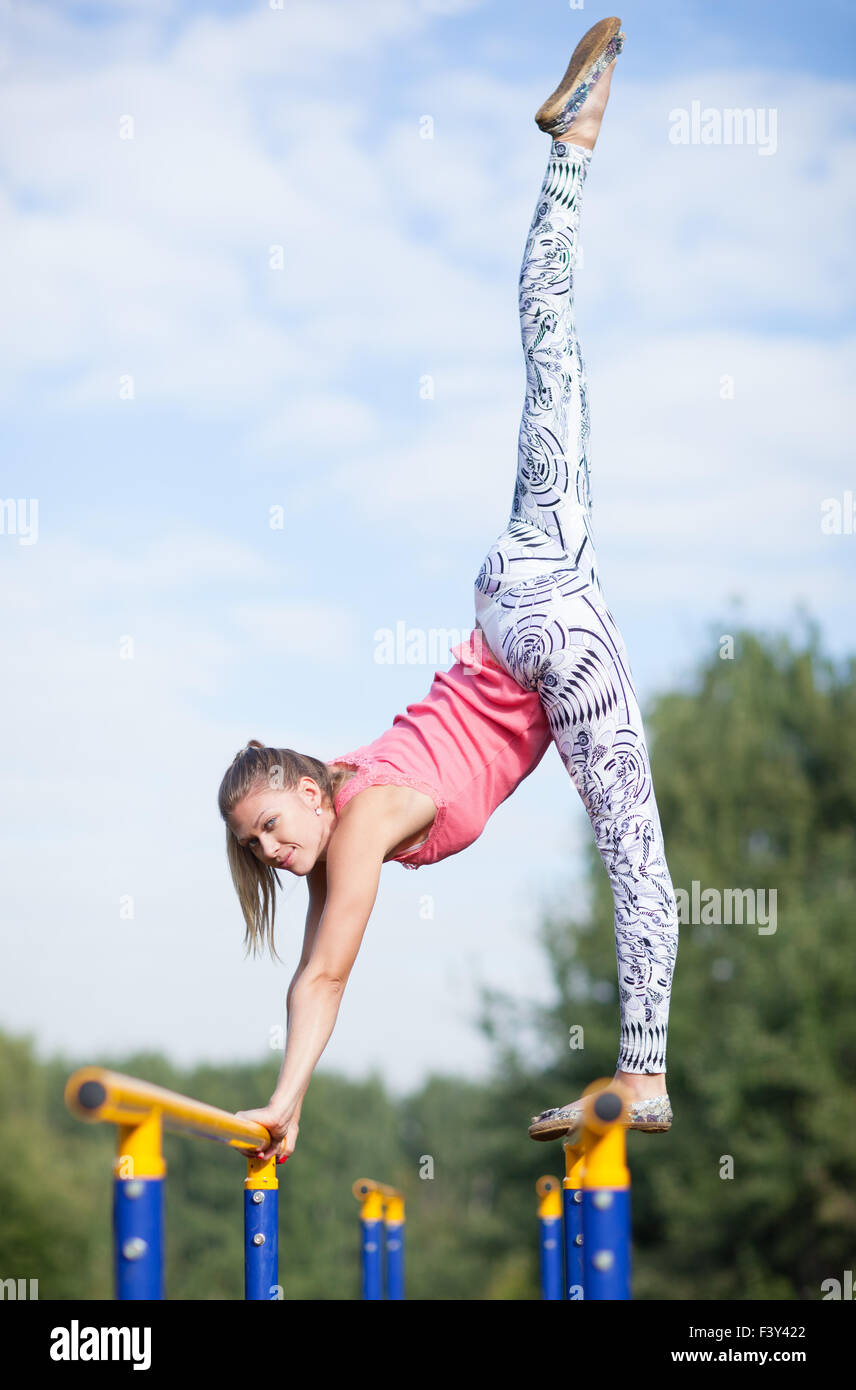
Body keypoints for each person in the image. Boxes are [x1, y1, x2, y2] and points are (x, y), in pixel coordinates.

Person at [223, 17, 679, 1164]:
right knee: (548, 346)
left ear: (301, 787)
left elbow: (326, 967)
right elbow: (311, 941)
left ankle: (645, 1071)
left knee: (639, 860)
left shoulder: (365, 813)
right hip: (521, 583)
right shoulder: (348, 786)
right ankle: (573, 145)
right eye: (257, 851)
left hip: (542, 623)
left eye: (272, 828)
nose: (277, 854)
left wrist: (288, 1099)